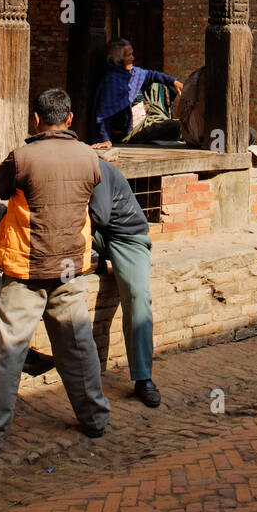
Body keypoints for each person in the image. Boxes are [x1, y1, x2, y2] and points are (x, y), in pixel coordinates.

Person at [0, 89, 110, 456]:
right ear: (70, 119)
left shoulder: (21, 157)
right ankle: (95, 419)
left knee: (11, 353)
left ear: (36, 120)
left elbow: (2, 187)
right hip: (68, 266)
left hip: (26, 268)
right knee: (78, 347)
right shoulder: (90, 157)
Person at [89, 148, 161, 407]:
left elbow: (99, 216)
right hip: (96, 236)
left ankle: (143, 378)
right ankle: (93, 258)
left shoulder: (96, 169)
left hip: (127, 237)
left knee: (137, 296)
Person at [93, 39, 183, 145]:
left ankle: (160, 120)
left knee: (155, 83)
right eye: (129, 55)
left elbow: (151, 74)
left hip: (145, 118)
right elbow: (103, 115)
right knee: (180, 127)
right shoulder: (112, 82)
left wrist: (174, 82)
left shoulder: (133, 72)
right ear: (119, 59)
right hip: (131, 132)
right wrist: (105, 139)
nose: (133, 58)